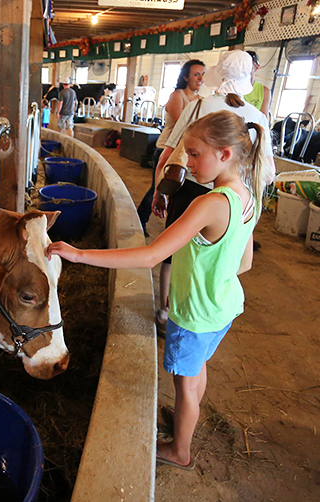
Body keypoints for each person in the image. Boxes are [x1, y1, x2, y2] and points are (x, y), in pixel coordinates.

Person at [48, 110, 268, 470]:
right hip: (223, 307)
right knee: (196, 370)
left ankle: (179, 450)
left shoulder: (209, 203)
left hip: (195, 314)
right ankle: (187, 413)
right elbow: (243, 264)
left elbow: (151, 256)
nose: (188, 163)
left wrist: (79, 254)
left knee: (184, 385)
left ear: (225, 154)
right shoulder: (248, 197)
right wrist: (194, 278)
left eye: (195, 154)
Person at [151, 50, 275, 333]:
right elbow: (267, 173)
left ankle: (164, 311)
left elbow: (169, 154)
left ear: (218, 74)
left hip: (192, 191)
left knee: (171, 252)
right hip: (235, 199)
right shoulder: (257, 116)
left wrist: (159, 191)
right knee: (221, 258)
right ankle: (204, 307)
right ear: (250, 77)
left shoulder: (199, 105)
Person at [137, 60, 205, 237]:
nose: (200, 78)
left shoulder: (200, 101)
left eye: (203, 74)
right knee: (159, 186)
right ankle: (141, 218)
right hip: (167, 148)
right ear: (185, 77)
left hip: (186, 152)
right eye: (196, 74)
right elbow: (183, 126)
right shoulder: (177, 96)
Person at [244, 50, 271, 117]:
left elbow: (264, 119)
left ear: (256, 67)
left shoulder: (264, 91)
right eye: (243, 65)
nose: (245, 69)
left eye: (249, 66)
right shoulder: (231, 87)